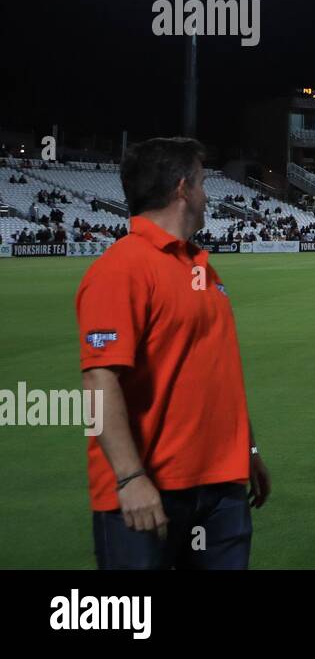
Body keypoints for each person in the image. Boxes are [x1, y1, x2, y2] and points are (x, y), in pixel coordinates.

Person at [76, 137, 269, 569]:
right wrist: (129, 477)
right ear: (182, 189)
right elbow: (97, 380)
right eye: (202, 182)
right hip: (150, 490)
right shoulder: (121, 267)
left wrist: (249, 452)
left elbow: (214, 369)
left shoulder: (200, 266)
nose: (207, 195)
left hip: (221, 489)